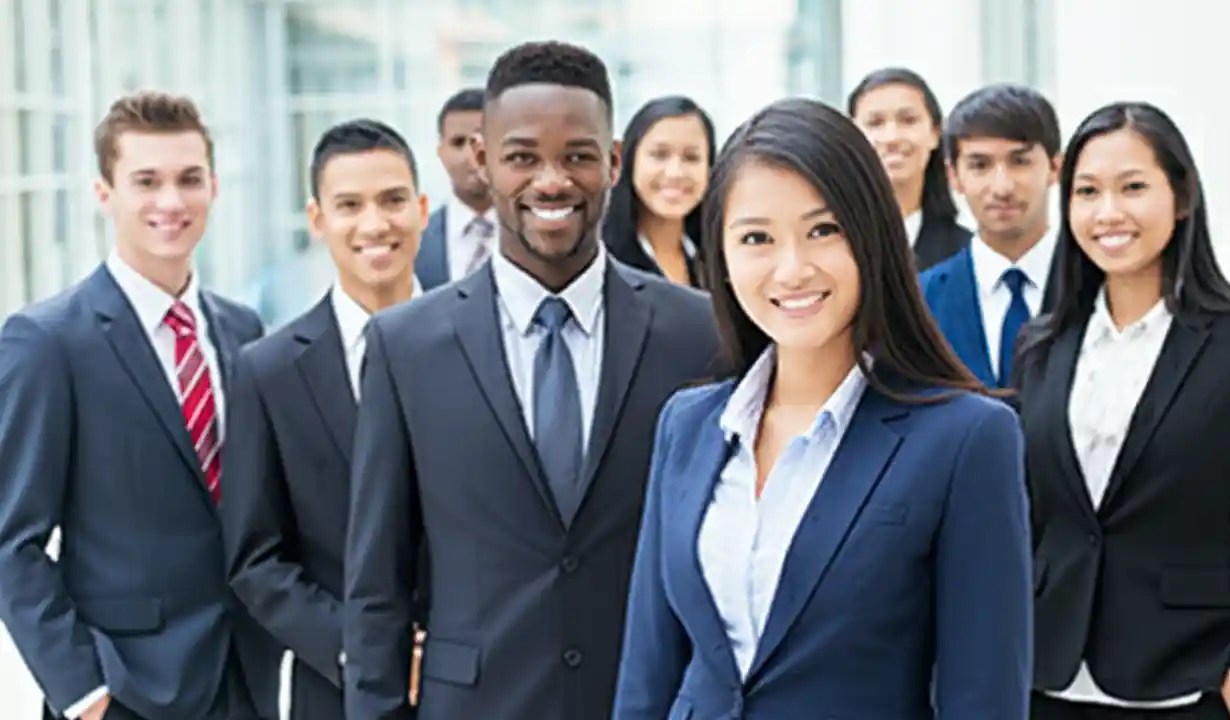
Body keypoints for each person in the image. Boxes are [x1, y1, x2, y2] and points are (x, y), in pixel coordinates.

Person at [612, 97, 1031, 719]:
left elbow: (985, 698)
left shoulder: (968, 438)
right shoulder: (688, 425)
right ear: (722, 257)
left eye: (823, 230)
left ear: (873, 238)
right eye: (756, 237)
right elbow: (648, 674)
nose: (792, 269)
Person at [341, 40, 721, 720]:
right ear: (481, 163)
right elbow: (377, 588)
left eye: (577, 155)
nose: (552, 180)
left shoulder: (698, 334)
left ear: (613, 162)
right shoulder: (406, 347)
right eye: (523, 157)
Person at [0, 92, 278, 720]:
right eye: (146, 182)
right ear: (105, 194)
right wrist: (81, 691)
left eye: (189, 179)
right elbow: (11, 539)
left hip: (245, 677)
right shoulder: (49, 341)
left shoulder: (242, 331)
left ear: (213, 187)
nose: (171, 202)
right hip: (126, 690)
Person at [1016, 102, 1230, 720]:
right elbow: (1030, 522)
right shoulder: (1041, 346)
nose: (1108, 212)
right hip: (1043, 684)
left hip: (1184, 686)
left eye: (1133, 187)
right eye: (1087, 192)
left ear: (1181, 197)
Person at [221, 119, 427, 720]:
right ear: (317, 219)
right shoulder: (269, 371)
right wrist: (364, 650)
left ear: (420, 208)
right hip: (336, 693)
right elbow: (255, 558)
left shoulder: (476, 344)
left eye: (392, 201)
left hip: (472, 685)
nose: (374, 224)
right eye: (349, 205)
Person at [918, 83, 1061, 388]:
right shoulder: (920, 301)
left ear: (1054, 167)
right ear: (954, 176)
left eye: (1019, 161)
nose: (1002, 187)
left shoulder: (1102, 286)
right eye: (979, 165)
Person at [849, 67, 969, 270]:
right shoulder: (833, 246)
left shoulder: (968, 255)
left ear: (935, 133)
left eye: (908, 120)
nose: (892, 137)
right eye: (875, 123)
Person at [602, 95, 715, 286]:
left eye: (691, 157)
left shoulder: (719, 263)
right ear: (628, 161)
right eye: (659, 155)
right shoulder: (602, 261)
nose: (675, 173)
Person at [415, 88, 495, 289]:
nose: (472, 156)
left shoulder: (536, 232)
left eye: (484, 141)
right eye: (459, 143)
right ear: (441, 152)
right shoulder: (413, 241)